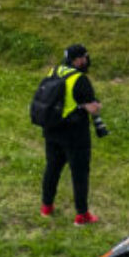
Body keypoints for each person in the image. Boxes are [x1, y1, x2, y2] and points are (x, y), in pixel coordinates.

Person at [37, 44, 103, 225]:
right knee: (79, 174)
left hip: (52, 129)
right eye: (85, 56)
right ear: (78, 59)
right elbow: (92, 107)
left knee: (52, 168)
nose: (87, 60)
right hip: (75, 134)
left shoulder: (54, 71)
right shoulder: (80, 79)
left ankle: (46, 206)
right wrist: (96, 106)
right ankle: (82, 215)